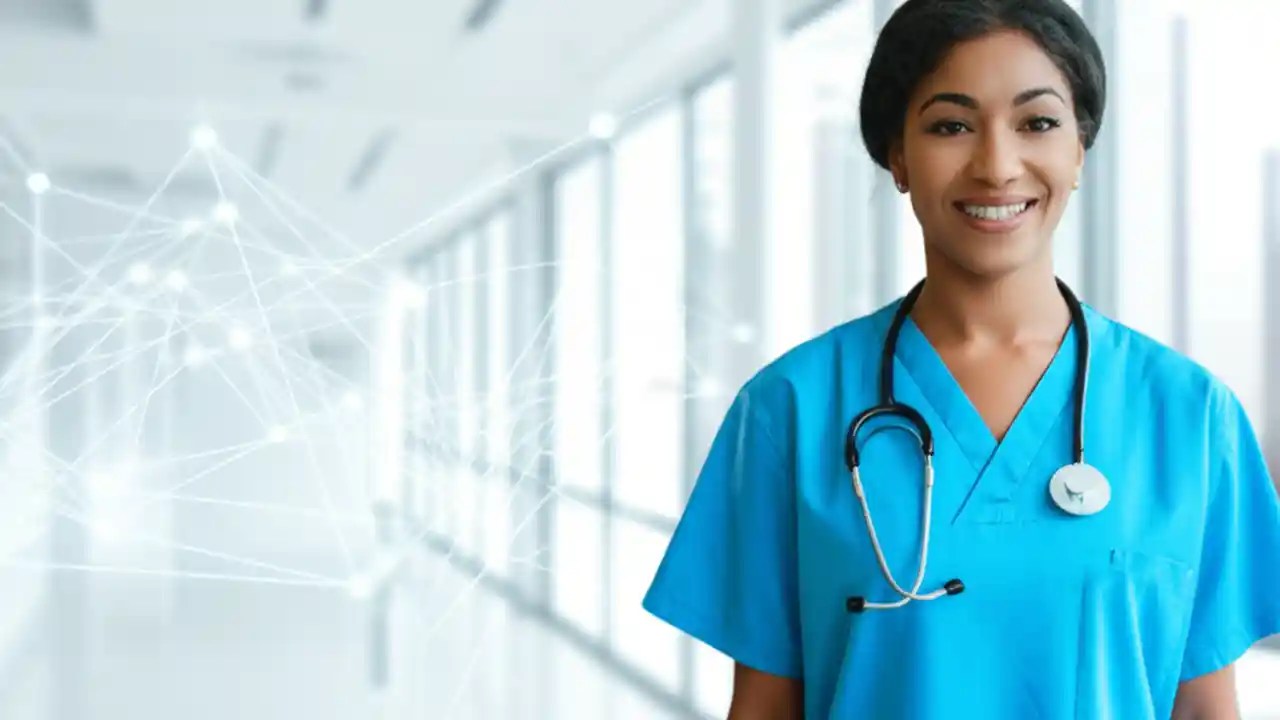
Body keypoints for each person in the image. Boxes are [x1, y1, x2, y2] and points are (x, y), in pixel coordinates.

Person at [641, 0, 1280, 717]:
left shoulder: (1189, 416)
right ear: (897, 156)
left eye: (1037, 123)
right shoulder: (791, 408)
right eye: (951, 125)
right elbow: (763, 708)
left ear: (1079, 149)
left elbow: (1204, 707)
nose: (997, 165)